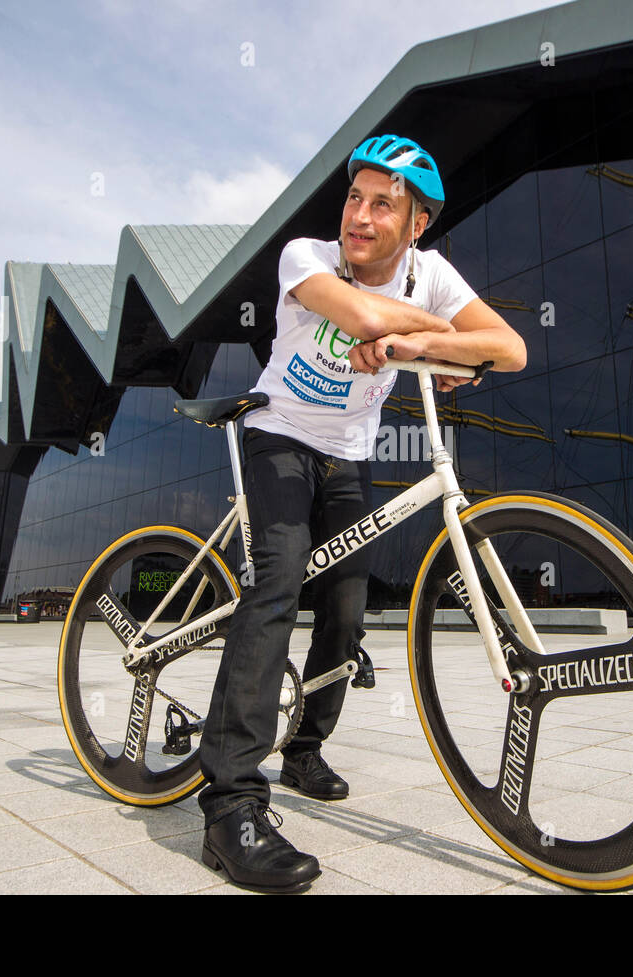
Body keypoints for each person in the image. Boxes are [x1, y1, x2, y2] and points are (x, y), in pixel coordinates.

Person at [197, 134, 526, 893]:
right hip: (278, 431)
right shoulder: (303, 256)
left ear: (416, 225)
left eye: (385, 204)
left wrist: (423, 336)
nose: (362, 215)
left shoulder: (429, 271)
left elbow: (509, 349)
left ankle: (305, 746)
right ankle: (230, 807)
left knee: (346, 610)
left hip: (346, 452)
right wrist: (436, 335)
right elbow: (356, 312)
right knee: (278, 581)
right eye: (355, 197)